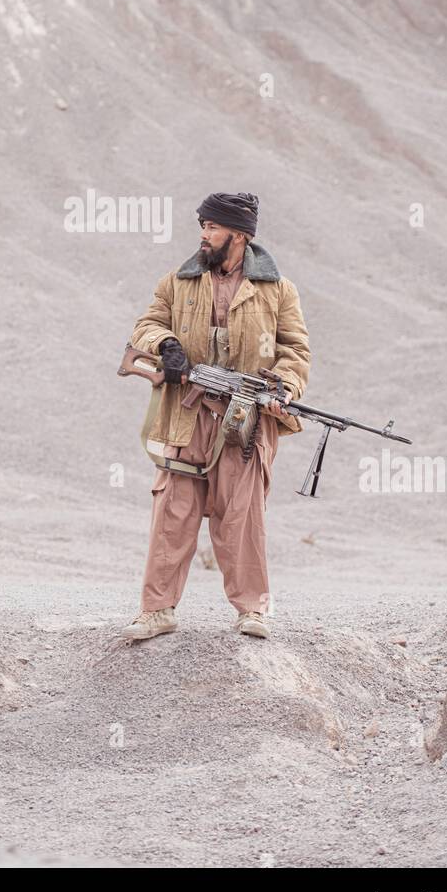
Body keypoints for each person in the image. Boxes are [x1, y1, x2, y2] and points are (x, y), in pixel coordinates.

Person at [121, 191, 311, 641]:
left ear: (239, 235)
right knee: (174, 511)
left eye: (213, 227)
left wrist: (283, 385)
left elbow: (295, 352)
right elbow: (144, 326)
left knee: (242, 516)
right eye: (203, 226)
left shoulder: (278, 291)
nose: (204, 236)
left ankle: (252, 610)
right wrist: (165, 344)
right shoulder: (178, 282)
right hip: (186, 419)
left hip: (243, 420)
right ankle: (157, 610)